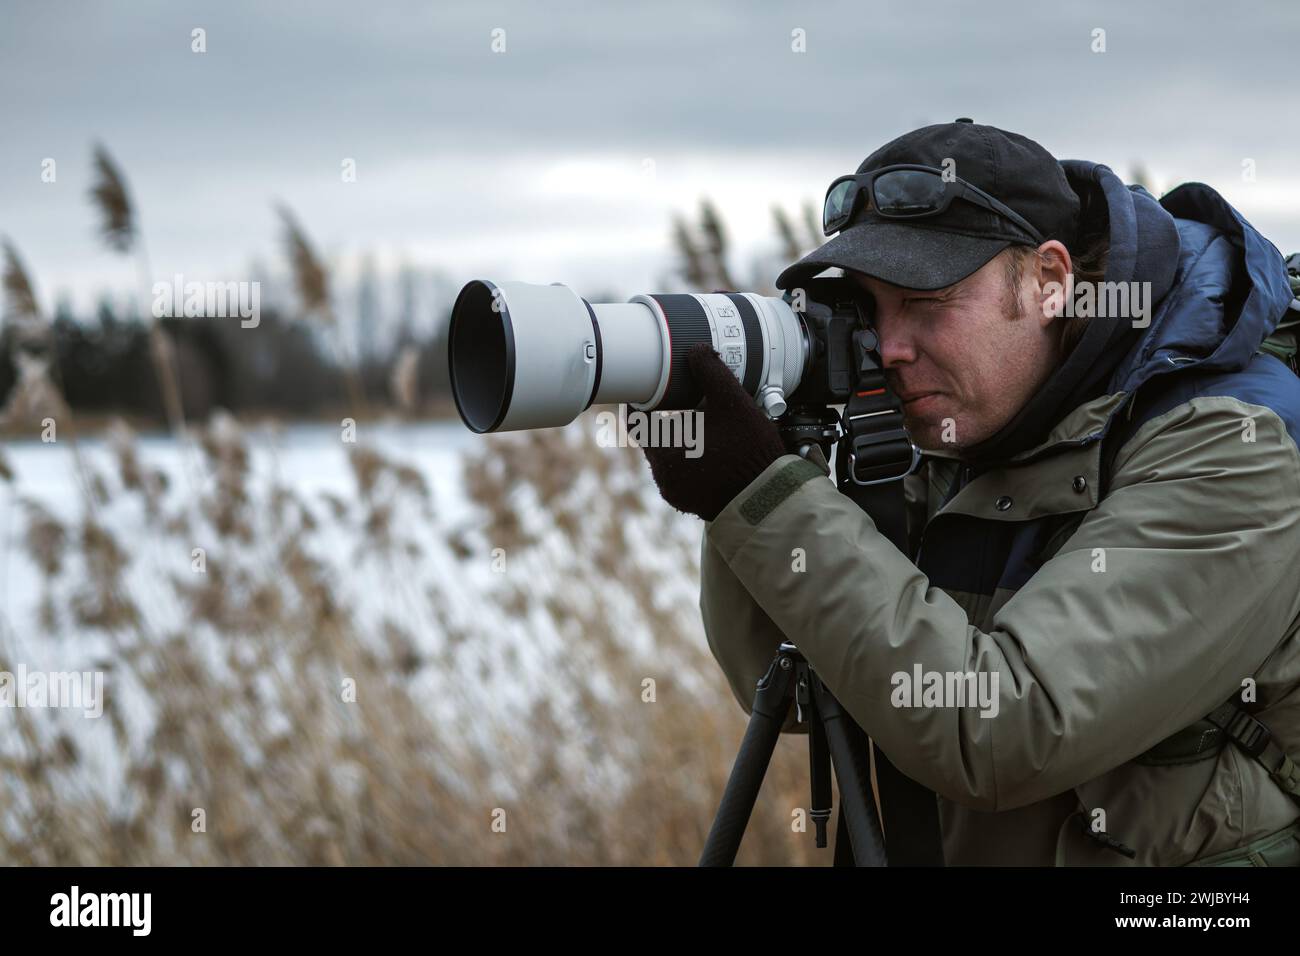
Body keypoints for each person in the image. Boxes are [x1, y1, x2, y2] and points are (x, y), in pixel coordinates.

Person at [640, 119, 1300, 865]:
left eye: (927, 301)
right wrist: (762, 465)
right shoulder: (965, 425)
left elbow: (1004, 732)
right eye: (871, 309)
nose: (890, 349)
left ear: (1049, 282)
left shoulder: (1232, 449)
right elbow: (808, 696)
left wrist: (763, 495)